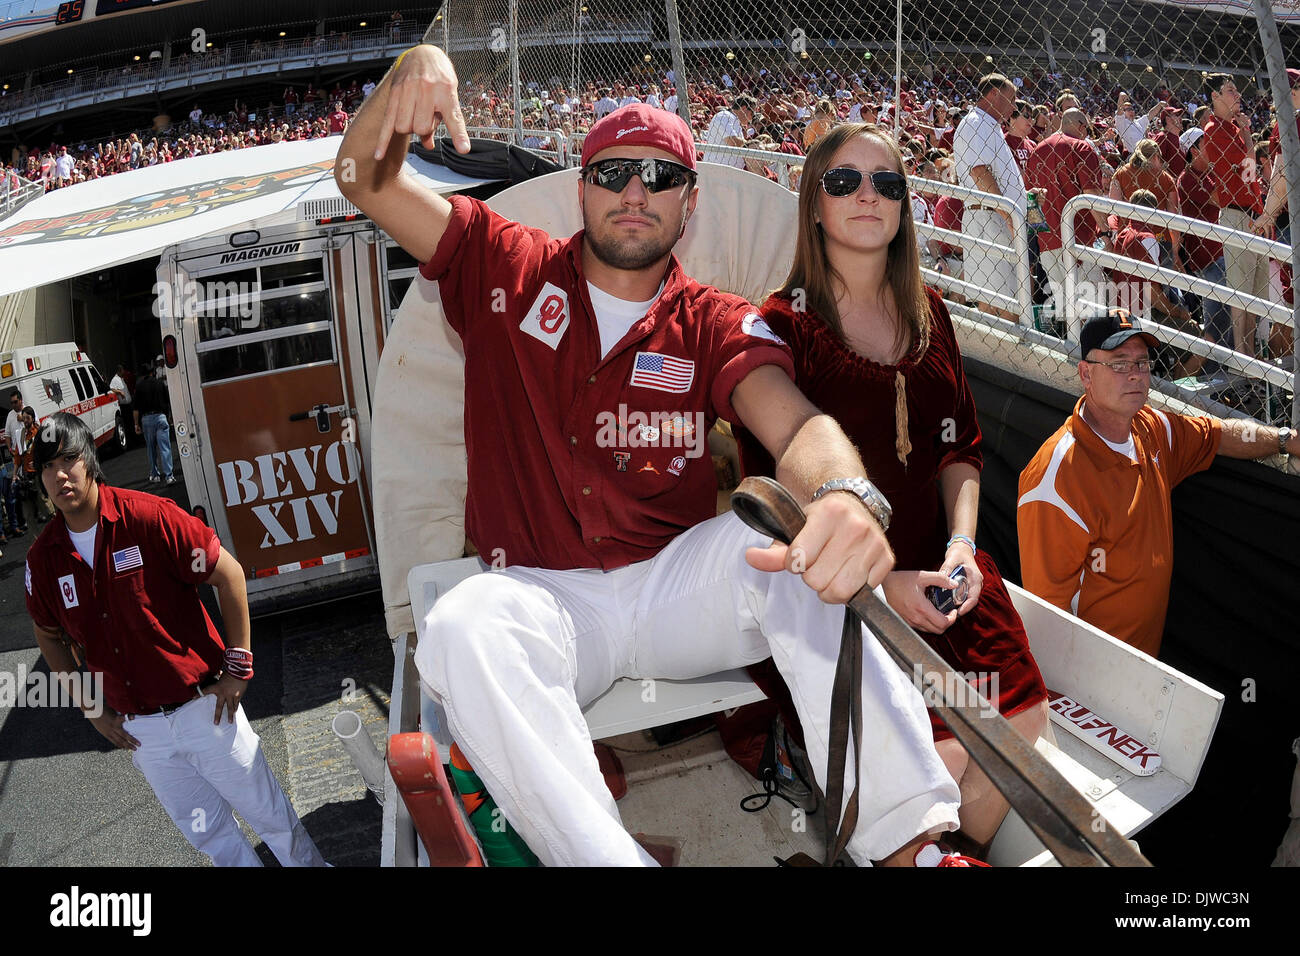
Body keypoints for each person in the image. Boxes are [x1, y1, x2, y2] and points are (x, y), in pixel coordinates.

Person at [338, 49, 966, 867]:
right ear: (584, 188)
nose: (635, 191)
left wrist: (846, 492)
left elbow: (792, 420)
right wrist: (406, 73)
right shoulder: (505, 264)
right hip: (544, 594)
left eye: (661, 175)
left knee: (802, 545)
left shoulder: (712, 319)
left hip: (672, 585)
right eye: (614, 172)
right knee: (458, 624)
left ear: (689, 203)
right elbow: (362, 179)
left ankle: (911, 845)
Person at [735, 122, 1049, 855]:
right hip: (843, 591)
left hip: (946, 575)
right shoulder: (784, 327)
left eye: (888, 183)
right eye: (843, 182)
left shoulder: (931, 313)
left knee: (1023, 724)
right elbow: (776, 503)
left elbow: (962, 453)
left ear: (907, 206)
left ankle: (949, 853)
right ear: (813, 204)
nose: (867, 196)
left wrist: (965, 547)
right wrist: (882, 587)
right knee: (938, 760)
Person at [25, 413, 327, 867]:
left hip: (205, 706)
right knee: (212, 836)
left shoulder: (149, 517)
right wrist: (93, 710)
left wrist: (238, 667)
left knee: (271, 818)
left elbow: (229, 575)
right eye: (48, 467)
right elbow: (48, 637)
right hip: (142, 732)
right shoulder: (43, 559)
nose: (60, 475)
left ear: (90, 460)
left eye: (69, 460)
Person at [1017, 310, 1297, 658]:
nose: (1135, 375)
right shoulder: (1055, 479)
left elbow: (1219, 435)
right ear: (1086, 374)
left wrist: (1286, 440)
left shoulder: (1149, 427)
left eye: (1142, 363)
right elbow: (1047, 624)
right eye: (1119, 364)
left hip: (1145, 670)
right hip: (1089, 681)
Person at [1202, 73, 1267, 355]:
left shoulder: (1232, 129)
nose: (1237, 95)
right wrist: (1249, 138)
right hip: (1236, 214)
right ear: (1215, 97)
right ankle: (1243, 354)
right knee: (1241, 292)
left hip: (1251, 212)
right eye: (1230, 90)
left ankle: (1249, 351)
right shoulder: (1214, 130)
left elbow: (1247, 173)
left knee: (1254, 292)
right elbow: (1247, 172)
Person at [1026, 108, 1111, 325]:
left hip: (1048, 241)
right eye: (1087, 129)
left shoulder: (1037, 150)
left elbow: (1031, 201)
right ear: (1082, 126)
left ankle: (1073, 352)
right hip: (1078, 240)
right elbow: (1092, 196)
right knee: (1092, 311)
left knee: (1067, 309)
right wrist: (1106, 231)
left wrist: (1041, 236)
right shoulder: (1082, 147)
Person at [953, 74, 1027, 321]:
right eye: (1012, 98)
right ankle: (1002, 359)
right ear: (994, 94)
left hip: (991, 216)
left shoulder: (986, 125)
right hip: (991, 217)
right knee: (1004, 303)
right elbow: (979, 171)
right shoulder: (976, 123)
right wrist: (1007, 214)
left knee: (999, 298)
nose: (1015, 106)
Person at [133, 361, 175, 485]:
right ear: (153, 372)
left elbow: (135, 409)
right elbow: (168, 402)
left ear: (142, 374)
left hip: (146, 419)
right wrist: (170, 416)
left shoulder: (139, 386)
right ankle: (169, 476)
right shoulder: (160, 383)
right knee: (165, 448)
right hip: (161, 417)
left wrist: (136, 424)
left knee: (151, 448)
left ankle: (155, 475)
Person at [702, 94, 754, 168]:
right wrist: (752, 145)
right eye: (752, 113)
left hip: (726, 170)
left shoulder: (735, 121)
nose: (751, 118)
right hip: (717, 169)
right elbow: (733, 141)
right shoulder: (724, 116)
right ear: (744, 108)